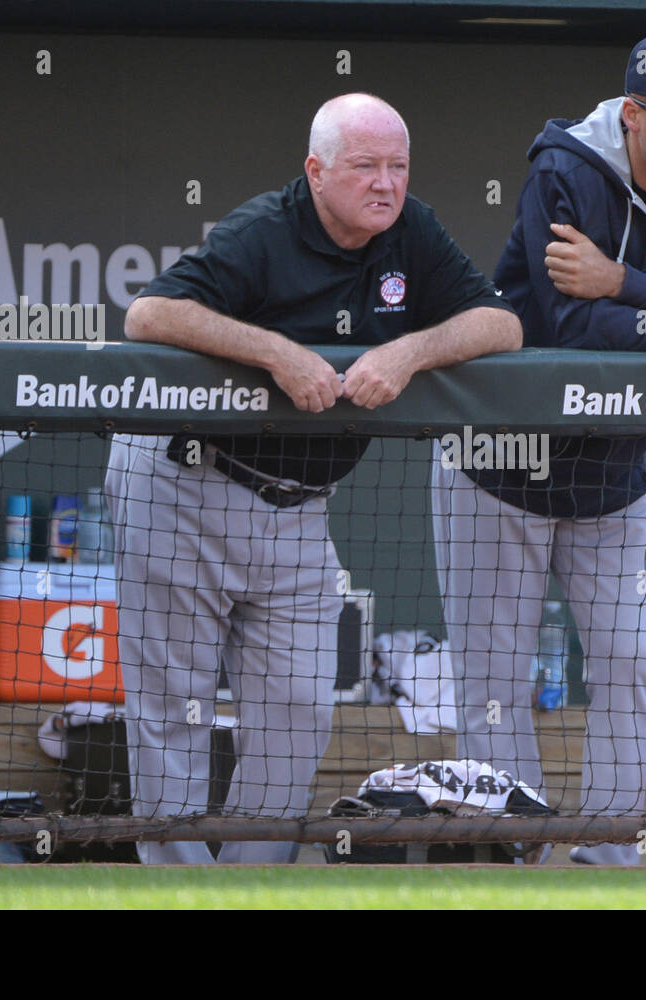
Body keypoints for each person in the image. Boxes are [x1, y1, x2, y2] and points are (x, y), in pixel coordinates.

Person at [109, 93, 521, 864]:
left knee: (298, 711)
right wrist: (273, 352)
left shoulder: (413, 233)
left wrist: (408, 352)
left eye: (398, 166)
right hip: (186, 485)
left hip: (300, 507)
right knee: (174, 711)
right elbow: (149, 315)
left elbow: (501, 325)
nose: (385, 183)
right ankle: (175, 894)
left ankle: (250, 887)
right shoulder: (264, 230)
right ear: (317, 169)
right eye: (366, 165)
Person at [432, 29, 646, 865]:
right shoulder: (564, 169)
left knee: (628, 667)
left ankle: (607, 863)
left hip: (615, 472)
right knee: (492, 686)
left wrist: (627, 284)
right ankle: (506, 855)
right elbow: (565, 328)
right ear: (634, 115)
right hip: (500, 464)